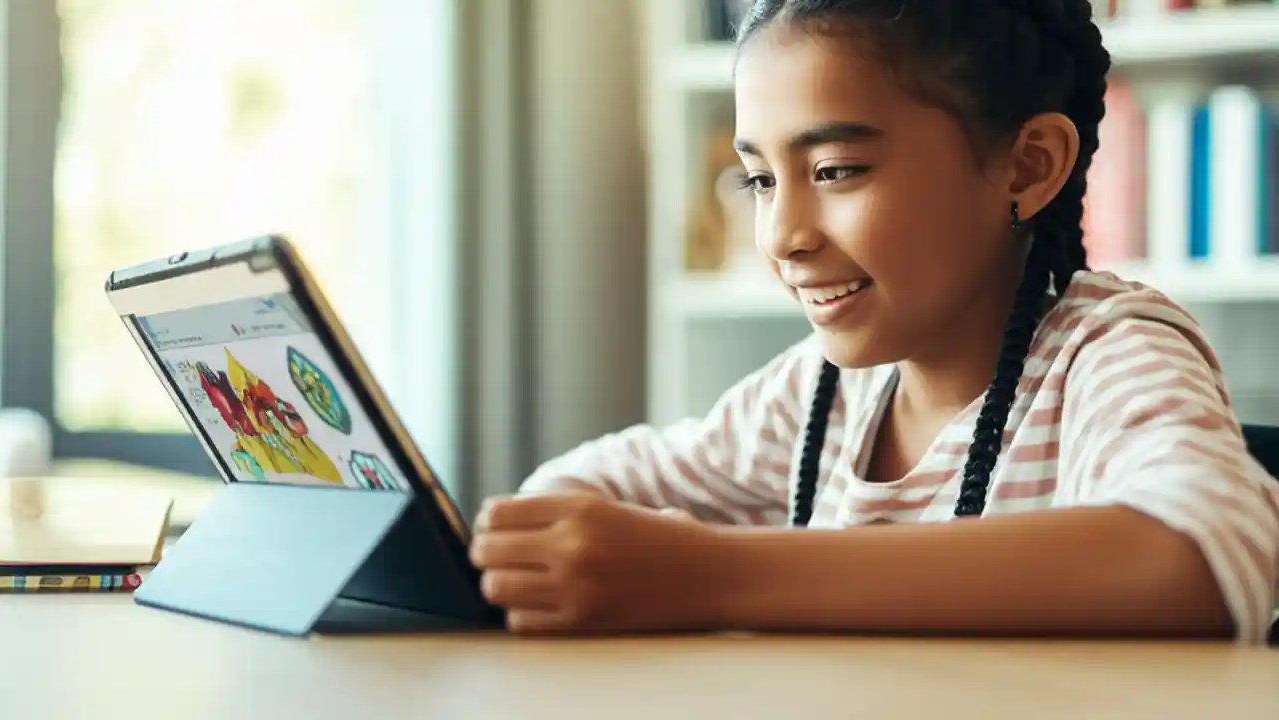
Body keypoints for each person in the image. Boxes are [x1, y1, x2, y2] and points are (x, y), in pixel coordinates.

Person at [469, 0, 1279, 643]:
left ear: (1028, 167)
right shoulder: (817, 397)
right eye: (758, 180)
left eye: (835, 171)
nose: (784, 236)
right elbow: (580, 494)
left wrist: (710, 574)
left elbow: (1199, 557)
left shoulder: (1106, 352)